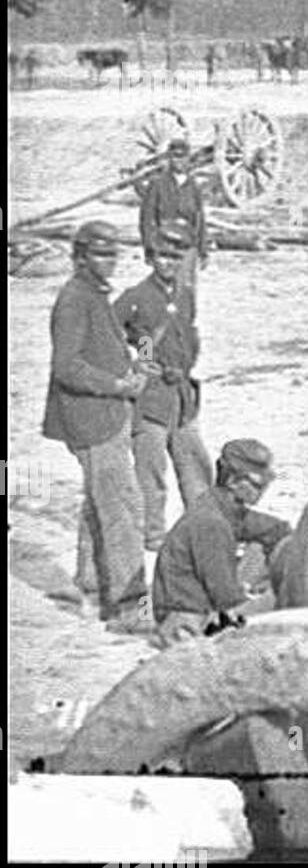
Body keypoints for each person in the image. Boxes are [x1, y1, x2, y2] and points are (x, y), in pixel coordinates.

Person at [42, 221, 153, 634]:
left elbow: (120, 341)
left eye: (112, 255)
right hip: (93, 420)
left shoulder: (94, 295)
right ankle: (129, 610)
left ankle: (88, 589)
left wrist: (137, 362)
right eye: (99, 255)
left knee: (99, 505)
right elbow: (66, 367)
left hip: (103, 416)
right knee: (123, 511)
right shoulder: (75, 300)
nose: (108, 262)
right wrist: (119, 384)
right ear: (79, 257)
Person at [113, 222, 214, 552]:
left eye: (175, 256)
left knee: (195, 466)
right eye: (161, 256)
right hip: (152, 395)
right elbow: (109, 333)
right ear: (149, 258)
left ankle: (204, 529)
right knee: (150, 470)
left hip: (182, 395)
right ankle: (152, 534)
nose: (169, 263)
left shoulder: (186, 295)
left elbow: (188, 333)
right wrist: (141, 356)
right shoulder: (135, 298)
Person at [152, 438, 293, 647]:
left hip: (198, 602)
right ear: (234, 481)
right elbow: (225, 595)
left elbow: (275, 529)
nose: (262, 490)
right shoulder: (212, 524)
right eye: (257, 484)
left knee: (262, 548)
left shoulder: (222, 506)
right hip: (187, 615)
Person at [139, 136, 208, 291]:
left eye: (183, 157)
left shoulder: (193, 187)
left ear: (189, 159)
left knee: (186, 290)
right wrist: (149, 248)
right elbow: (147, 219)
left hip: (188, 247)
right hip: (165, 247)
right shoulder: (157, 184)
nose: (179, 161)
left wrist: (203, 251)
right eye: (175, 157)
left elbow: (200, 220)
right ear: (169, 159)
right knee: (164, 290)